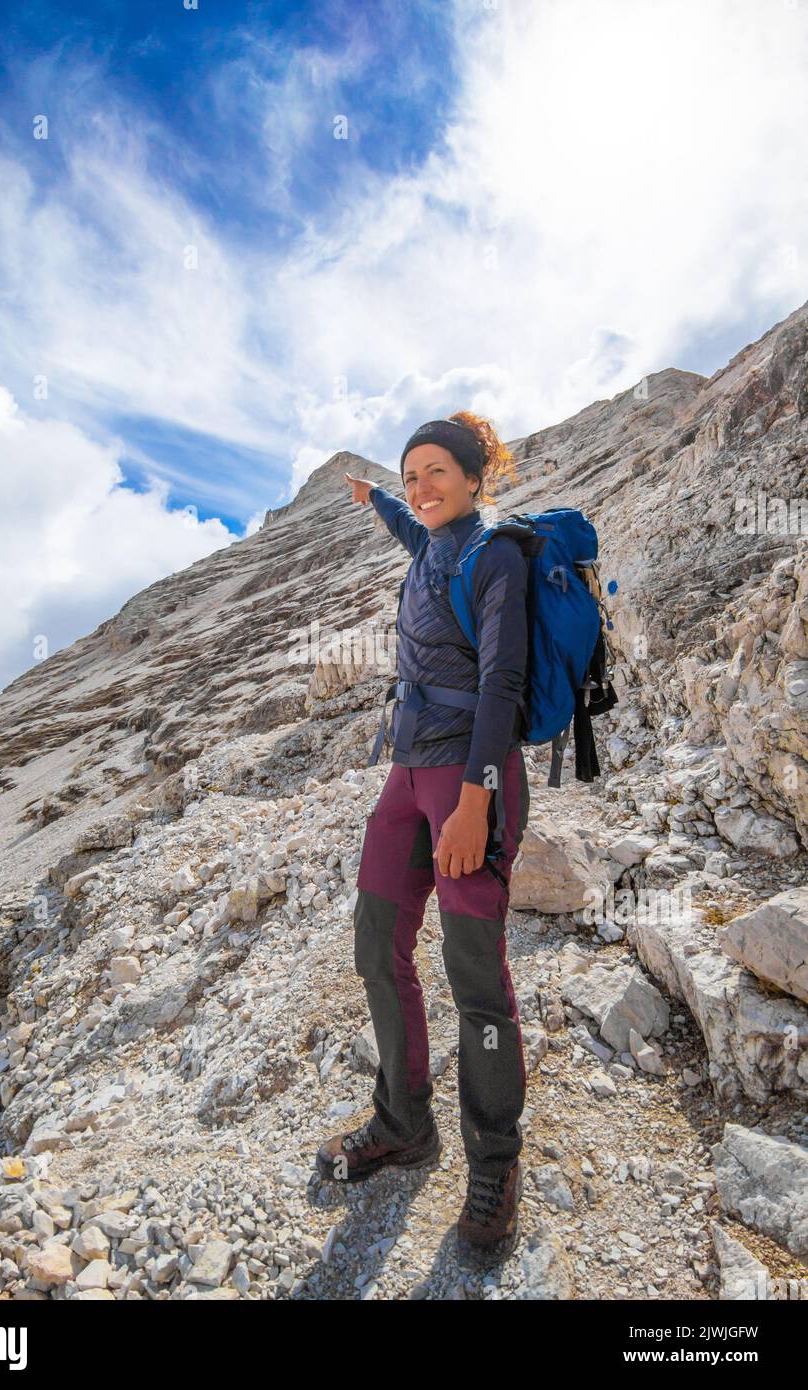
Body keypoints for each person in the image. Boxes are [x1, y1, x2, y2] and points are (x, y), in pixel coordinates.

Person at [316, 412, 531, 1259]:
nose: (422, 487)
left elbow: (504, 681)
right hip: (407, 777)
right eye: (411, 475)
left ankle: (495, 1161)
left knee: (476, 977)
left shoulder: (496, 555)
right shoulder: (430, 543)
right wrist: (377, 498)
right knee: (377, 945)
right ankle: (404, 1123)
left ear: (476, 478)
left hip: (468, 779)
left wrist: (477, 799)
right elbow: (411, 527)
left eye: (436, 471)